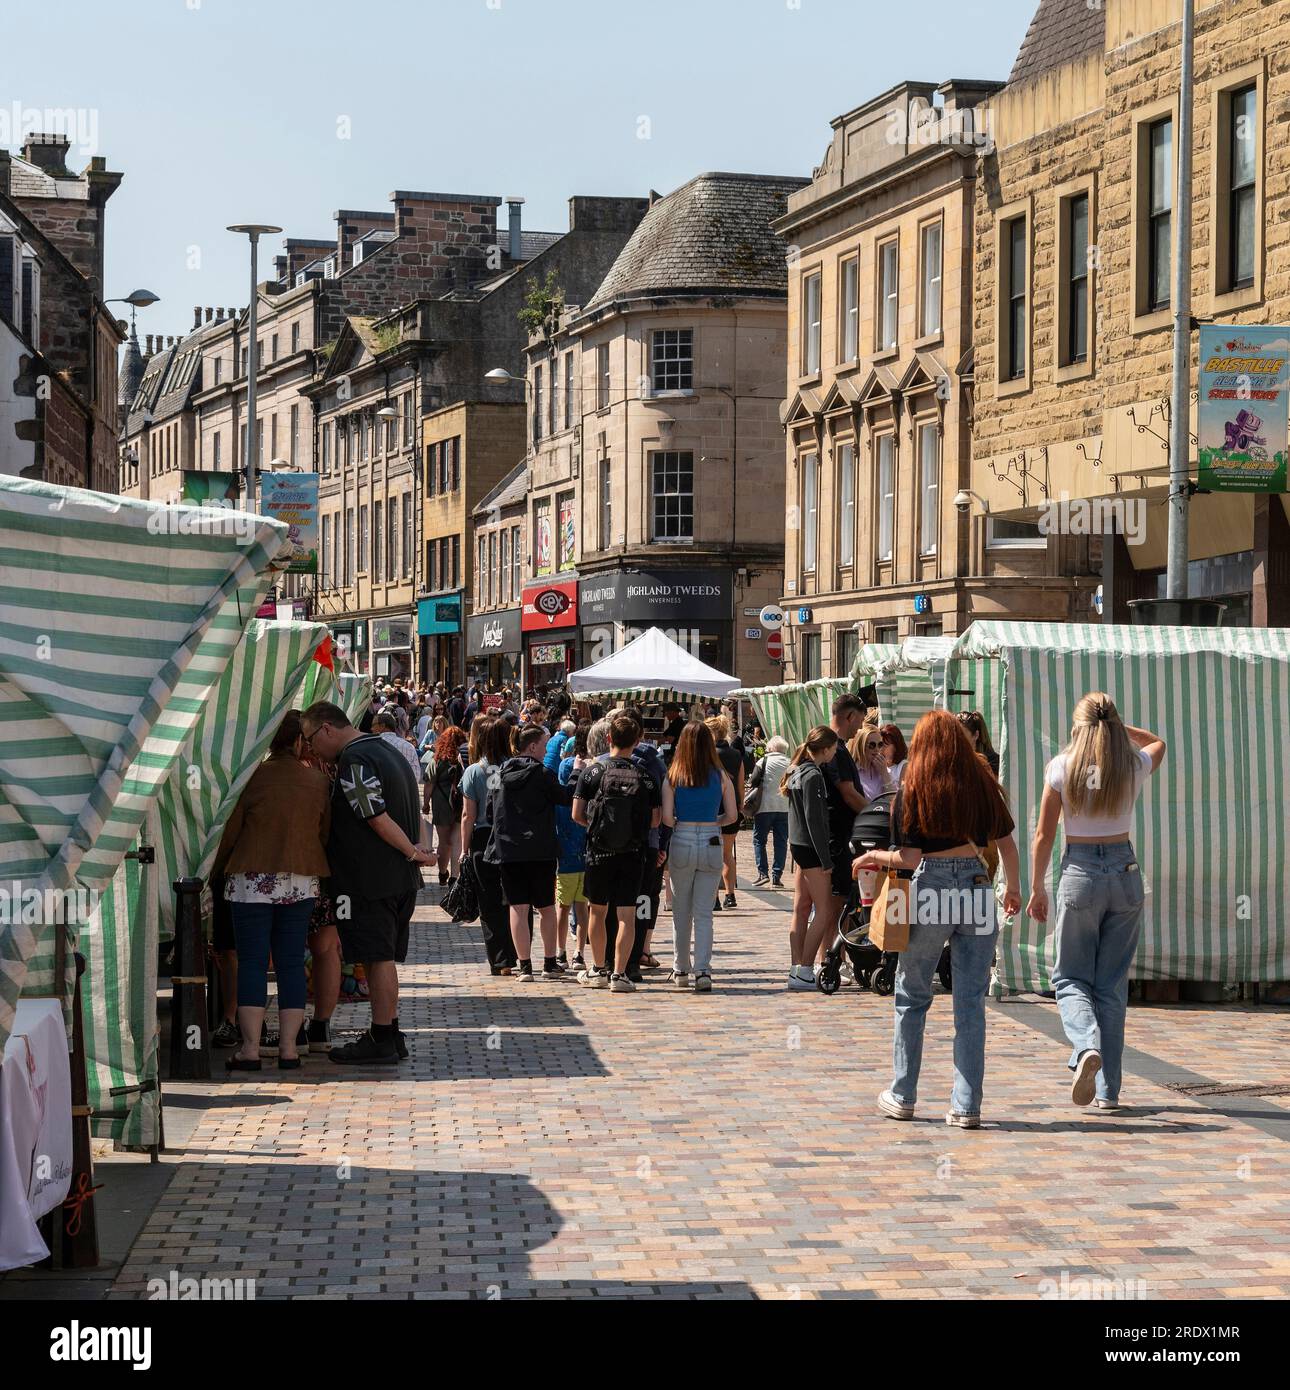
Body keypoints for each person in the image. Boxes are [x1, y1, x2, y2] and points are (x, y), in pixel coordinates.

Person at [853, 709, 1022, 1127]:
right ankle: (966, 1106)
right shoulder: (984, 787)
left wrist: (874, 855)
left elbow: (909, 859)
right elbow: (1007, 845)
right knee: (970, 1003)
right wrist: (1013, 889)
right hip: (978, 887)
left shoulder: (913, 792)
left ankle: (903, 1093)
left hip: (933, 888)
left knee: (912, 993)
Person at [1027, 694, 1166, 1111]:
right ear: (1114, 725)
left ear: (1078, 725)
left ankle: (1085, 1045)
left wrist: (1037, 887)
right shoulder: (1130, 765)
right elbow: (1158, 742)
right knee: (1110, 985)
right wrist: (1118, 730)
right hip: (1125, 872)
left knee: (1069, 978)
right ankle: (1108, 1091)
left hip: (1081, 873)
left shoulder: (1061, 767)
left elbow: (1044, 836)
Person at [300, 701, 431, 1064]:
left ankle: (383, 1036)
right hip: (396, 880)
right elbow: (410, 807)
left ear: (327, 729)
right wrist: (417, 849)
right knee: (382, 958)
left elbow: (373, 814)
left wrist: (412, 852)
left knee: (377, 958)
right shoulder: (388, 751)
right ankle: (387, 1030)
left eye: (311, 741)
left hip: (374, 880)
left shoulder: (354, 761)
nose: (311, 750)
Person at [211, 711, 330, 1072]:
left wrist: (215, 872)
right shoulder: (317, 783)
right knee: (292, 961)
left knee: (252, 962)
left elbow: (230, 833)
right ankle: (290, 1050)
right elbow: (323, 833)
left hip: (249, 880)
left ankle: (250, 1049)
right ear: (298, 742)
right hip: (300, 879)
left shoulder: (249, 779)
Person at [572, 712, 661, 992]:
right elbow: (656, 820)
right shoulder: (645, 776)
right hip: (633, 852)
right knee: (627, 914)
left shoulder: (593, 772)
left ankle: (598, 968)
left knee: (597, 911)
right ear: (637, 741)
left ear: (608, 738)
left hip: (599, 852)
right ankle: (620, 974)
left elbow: (577, 813)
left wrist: (596, 828)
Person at [487, 722, 575, 983]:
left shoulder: (497, 772)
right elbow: (565, 797)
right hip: (539, 849)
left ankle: (524, 966)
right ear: (533, 746)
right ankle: (549, 962)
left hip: (508, 849)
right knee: (546, 907)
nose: (546, 750)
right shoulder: (543, 774)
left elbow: (491, 811)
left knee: (517, 907)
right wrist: (575, 774)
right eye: (545, 745)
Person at [660, 720, 737, 992]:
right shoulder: (720, 775)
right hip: (711, 840)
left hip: (681, 839)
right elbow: (732, 816)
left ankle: (681, 968)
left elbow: (667, 819)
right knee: (704, 913)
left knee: (681, 911)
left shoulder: (673, 775)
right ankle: (703, 970)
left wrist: (684, 821)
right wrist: (712, 821)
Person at [460, 717, 518, 976]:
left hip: (483, 839)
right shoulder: (514, 767)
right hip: (511, 837)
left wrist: (464, 848)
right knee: (514, 898)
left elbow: (467, 815)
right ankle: (518, 953)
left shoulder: (474, 771)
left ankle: (500, 958)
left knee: (490, 902)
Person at [784, 726, 840, 990]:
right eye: (834, 747)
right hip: (811, 850)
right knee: (824, 910)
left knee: (801, 907)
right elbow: (814, 820)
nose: (836, 752)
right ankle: (805, 968)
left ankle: (797, 967)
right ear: (826, 748)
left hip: (798, 846)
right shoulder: (813, 775)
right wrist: (826, 860)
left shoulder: (796, 770)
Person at [555, 724, 591, 967]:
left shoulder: (566, 766)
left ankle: (560, 951)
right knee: (582, 904)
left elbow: (561, 797)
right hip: (587, 844)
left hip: (565, 842)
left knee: (563, 905)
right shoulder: (594, 767)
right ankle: (579, 951)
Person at [706, 715, 744, 910]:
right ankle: (730, 894)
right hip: (732, 808)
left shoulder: (707, 755)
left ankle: (714, 897)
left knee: (712, 855)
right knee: (727, 854)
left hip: (712, 808)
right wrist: (740, 805)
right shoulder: (736, 754)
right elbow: (740, 785)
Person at [748, 734, 791, 888]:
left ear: (771, 747)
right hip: (784, 807)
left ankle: (762, 873)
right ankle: (777, 875)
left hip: (764, 806)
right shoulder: (790, 762)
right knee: (781, 841)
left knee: (759, 840)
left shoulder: (763, 761)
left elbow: (753, 781)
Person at [427, 726, 468, 885]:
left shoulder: (437, 759)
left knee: (443, 841)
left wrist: (425, 804)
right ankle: (454, 877)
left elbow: (429, 783)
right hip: (460, 802)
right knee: (456, 840)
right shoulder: (463, 758)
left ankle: (443, 873)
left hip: (441, 802)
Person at [372, 708, 424, 785]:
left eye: (373, 725)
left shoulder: (372, 746)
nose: (371, 728)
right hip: (404, 792)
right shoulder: (409, 747)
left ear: (382, 726)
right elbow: (415, 776)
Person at [849, 725, 894, 800]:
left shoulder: (881, 768)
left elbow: (892, 800)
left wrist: (885, 774)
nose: (877, 749)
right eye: (872, 745)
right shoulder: (853, 770)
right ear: (861, 746)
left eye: (880, 744)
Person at [958, 710, 1000, 775]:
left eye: (962, 735)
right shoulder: (956, 760)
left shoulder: (993, 762)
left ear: (976, 735)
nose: (956, 740)